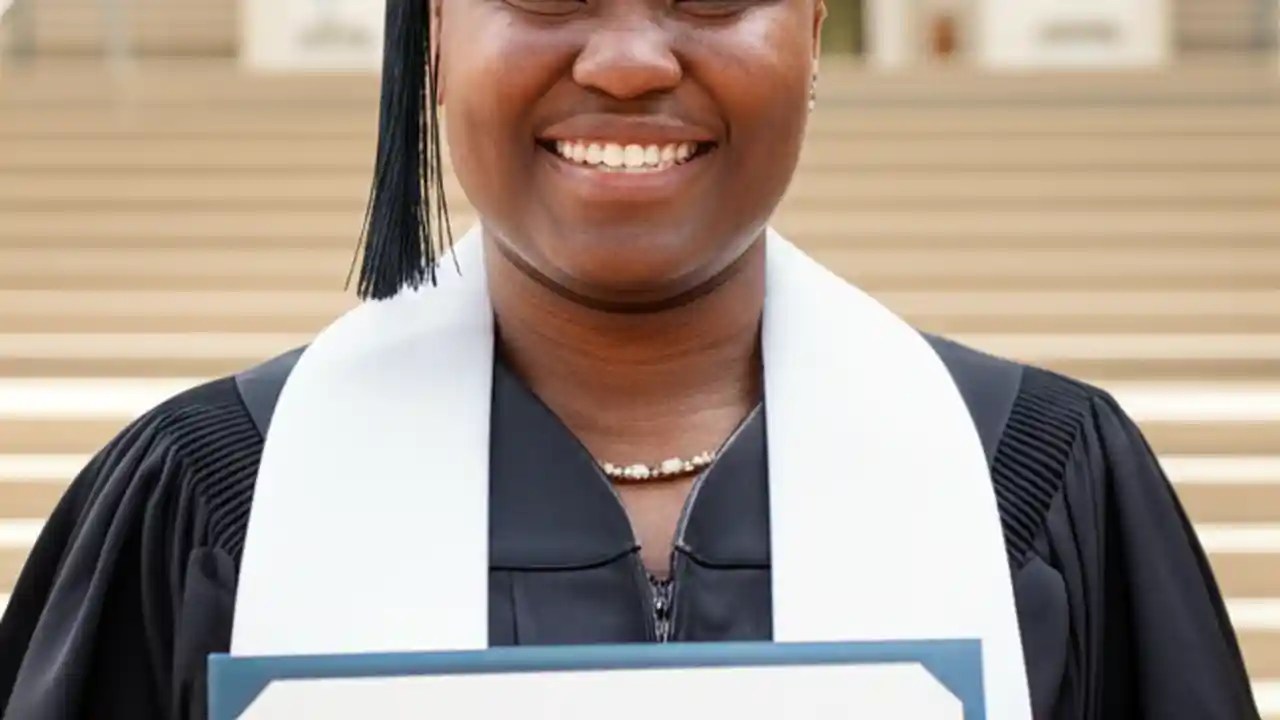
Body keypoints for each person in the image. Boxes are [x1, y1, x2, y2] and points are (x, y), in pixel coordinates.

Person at [0, 0, 1259, 718]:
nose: (626, 60)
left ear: (812, 31)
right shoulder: (211, 506)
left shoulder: (1037, 491)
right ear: (433, 31)